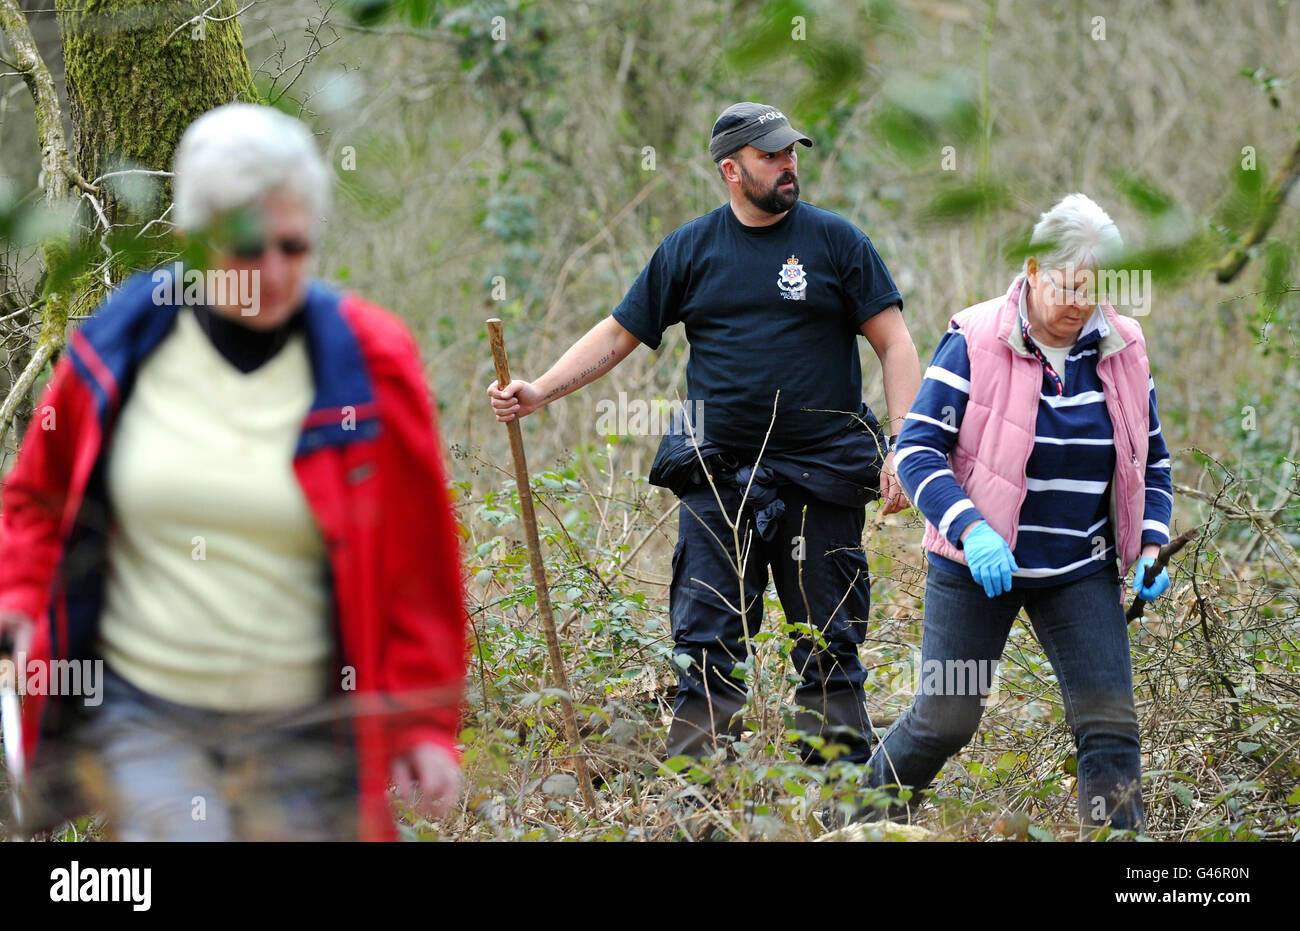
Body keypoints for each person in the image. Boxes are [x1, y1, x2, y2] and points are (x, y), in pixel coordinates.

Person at [0, 103, 467, 841]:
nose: (274, 271)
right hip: (145, 709)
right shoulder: (124, 342)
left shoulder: (369, 362)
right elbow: (36, 497)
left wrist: (423, 721)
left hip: (311, 721)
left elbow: (419, 558)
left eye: (294, 244)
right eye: (248, 246)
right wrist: (21, 597)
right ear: (192, 237)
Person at [488, 102, 921, 767]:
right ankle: (701, 806)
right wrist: (540, 389)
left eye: (791, 152)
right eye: (771, 155)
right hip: (717, 477)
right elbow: (617, 333)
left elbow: (895, 343)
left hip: (822, 475)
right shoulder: (690, 250)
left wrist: (904, 445)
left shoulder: (837, 242)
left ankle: (841, 808)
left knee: (830, 648)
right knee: (706, 646)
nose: (787, 164)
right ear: (730, 168)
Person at [861, 193, 1174, 834]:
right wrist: (971, 528)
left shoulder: (1124, 347)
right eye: (1064, 284)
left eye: (1093, 288)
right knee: (946, 717)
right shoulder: (975, 337)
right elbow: (918, 450)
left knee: (1109, 726)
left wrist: (1149, 543)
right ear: (1032, 269)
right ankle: (851, 819)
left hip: (1079, 567)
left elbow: (1154, 459)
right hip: (979, 566)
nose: (1078, 303)